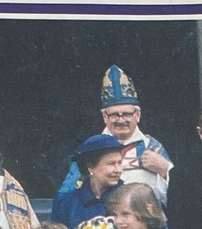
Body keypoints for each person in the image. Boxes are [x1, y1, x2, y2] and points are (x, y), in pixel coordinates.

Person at [56, 66, 173, 206]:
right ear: (105, 117)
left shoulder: (153, 148)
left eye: (127, 114)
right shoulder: (93, 150)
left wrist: (165, 170)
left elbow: (178, 198)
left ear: (137, 115)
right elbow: (65, 198)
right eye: (114, 115)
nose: (121, 120)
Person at [50, 133, 127, 228]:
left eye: (119, 163)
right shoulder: (66, 202)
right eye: (111, 164)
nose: (118, 170)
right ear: (90, 167)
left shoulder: (129, 199)